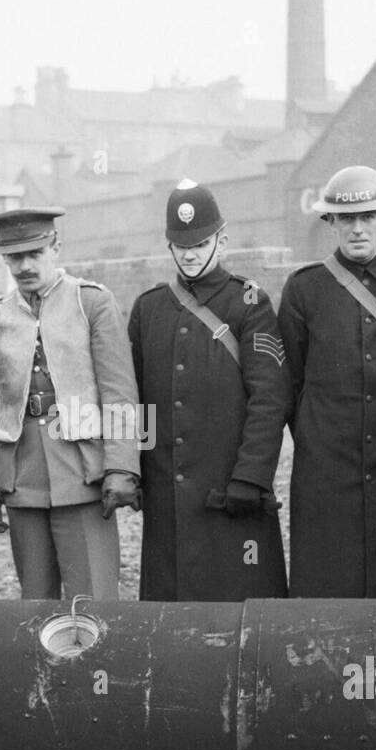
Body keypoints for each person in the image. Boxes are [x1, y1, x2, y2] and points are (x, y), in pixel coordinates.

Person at [278, 165, 376, 598]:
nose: (357, 229)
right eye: (346, 219)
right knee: (328, 589)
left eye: (368, 217)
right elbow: (289, 384)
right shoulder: (303, 290)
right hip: (326, 474)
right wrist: (320, 440)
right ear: (330, 223)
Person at [127, 181, 289, 600]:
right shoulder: (149, 309)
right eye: (180, 245)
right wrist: (134, 472)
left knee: (239, 612)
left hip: (230, 489)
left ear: (222, 240)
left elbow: (269, 398)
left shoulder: (250, 303)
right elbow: (135, 402)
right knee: (171, 618)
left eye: (200, 243)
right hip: (168, 495)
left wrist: (251, 476)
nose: (190, 253)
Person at [0, 207, 141, 601]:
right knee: (35, 607)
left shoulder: (92, 303)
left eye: (35, 253)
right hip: (21, 477)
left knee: (95, 602)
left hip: (83, 474)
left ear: (56, 248)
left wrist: (121, 466)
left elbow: (119, 392)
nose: (25, 265)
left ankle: (97, 666)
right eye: (15, 257)